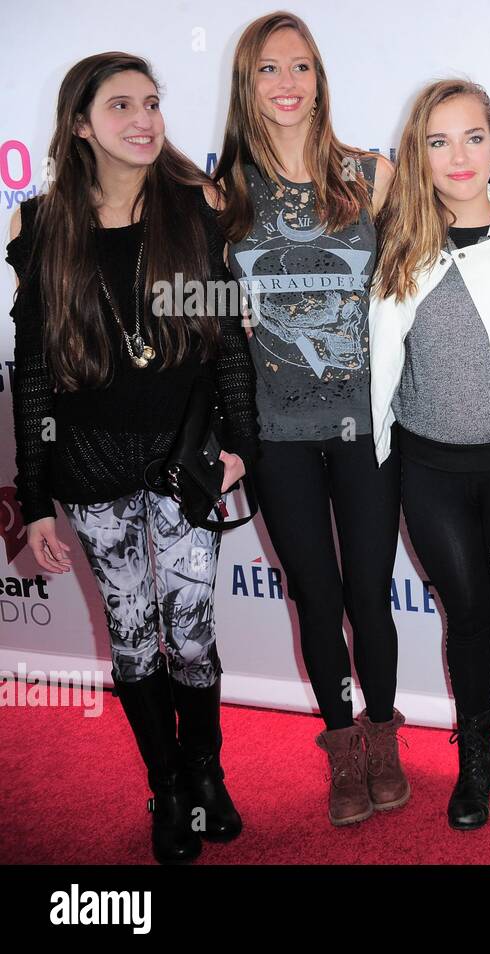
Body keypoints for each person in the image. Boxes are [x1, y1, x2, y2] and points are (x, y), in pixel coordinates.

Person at [8, 52, 258, 863]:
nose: (144, 120)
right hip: (89, 466)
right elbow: (38, 374)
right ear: (81, 124)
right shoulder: (40, 228)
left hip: (184, 464)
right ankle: (169, 788)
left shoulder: (195, 209)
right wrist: (37, 499)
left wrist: (239, 448)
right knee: (135, 637)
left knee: (189, 633)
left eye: (150, 103)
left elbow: (225, 347)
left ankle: (208, 773)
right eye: (120, 106)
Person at [214, 11, 402, 826]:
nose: (287, 84)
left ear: (320, 78)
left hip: (367, 428)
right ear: (246, 85)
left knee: (370, 592)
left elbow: (413, 280)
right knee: (316, 599)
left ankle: (385, 738)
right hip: (277, 432)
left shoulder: (375, 173)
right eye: (267, 69)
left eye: (300, 67)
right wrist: (235, 315)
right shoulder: (222, 191)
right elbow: (205, 307)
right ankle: (341, 747)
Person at [367, 79, 490, 831]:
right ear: (417, 153)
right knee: (469, 615)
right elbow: (369, 360)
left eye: (473, 137)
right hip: (430, 473)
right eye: (437, 140)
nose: (458, 156)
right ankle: (475, 762)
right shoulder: (397, 247)